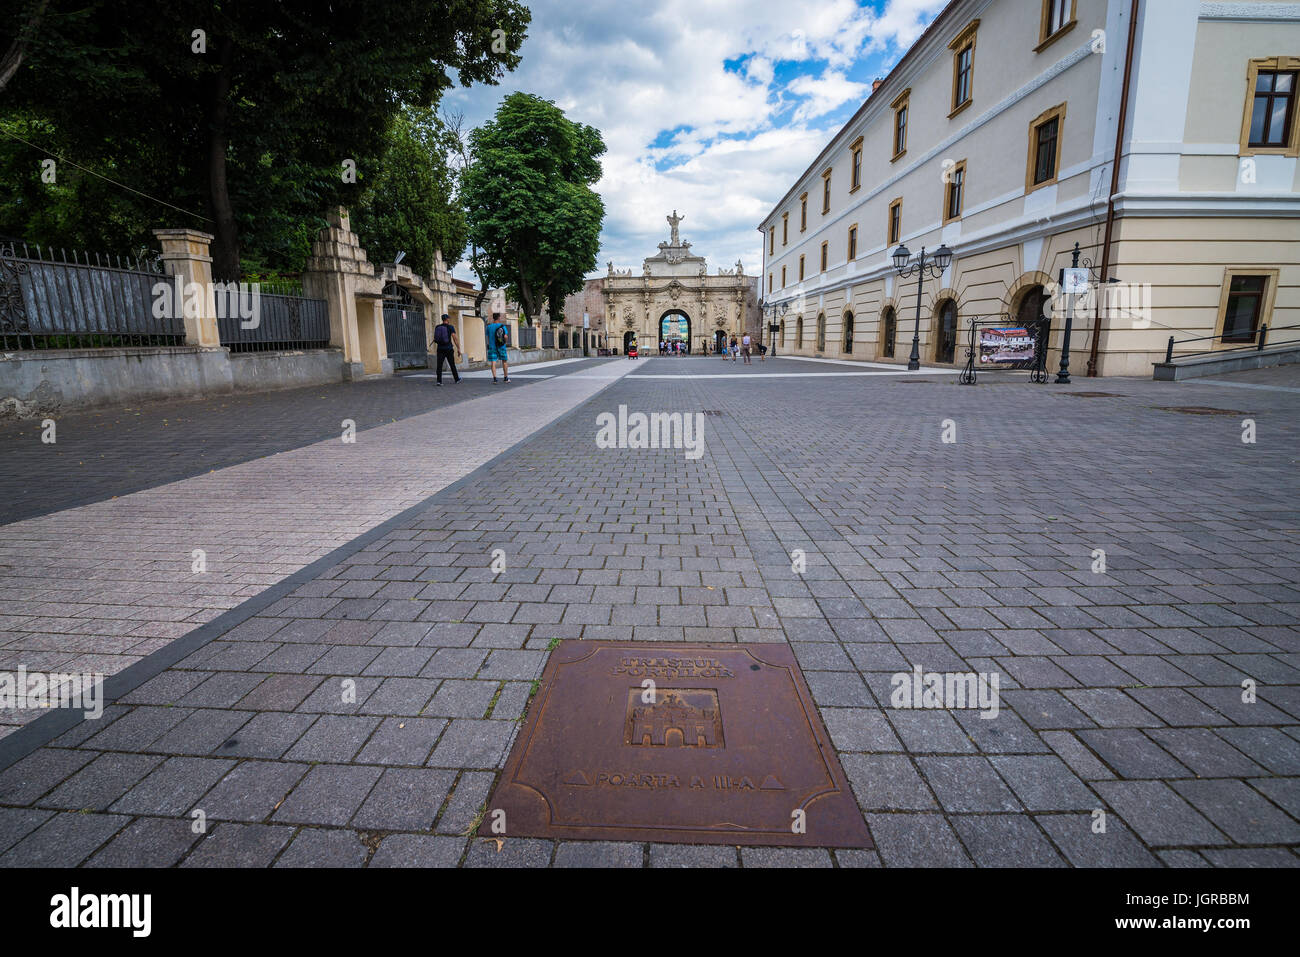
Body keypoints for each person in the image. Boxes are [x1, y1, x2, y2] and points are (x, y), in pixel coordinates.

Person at [432, 314, 461, 385]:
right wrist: (458, 348)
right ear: (447, 319)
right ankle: (456, 379)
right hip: (448, 348)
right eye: (449, 318)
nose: (449, 319)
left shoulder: (437, 327)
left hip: (440, 349)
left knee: (439, 365)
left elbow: (436, 338)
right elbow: (455, 338)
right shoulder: (450, 327)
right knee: (452, 364)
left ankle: (439, 381)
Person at [484, 312, 510, 382]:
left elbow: (488, 337)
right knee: (504, 361)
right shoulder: (502, 326)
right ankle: (505, 378)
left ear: (493, 318)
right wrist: (505, 341)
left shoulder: (488, 327)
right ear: (499, 317)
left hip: (492, 347)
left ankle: (495, 379)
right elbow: (505, 336)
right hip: (501, 346)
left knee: (493, 362)